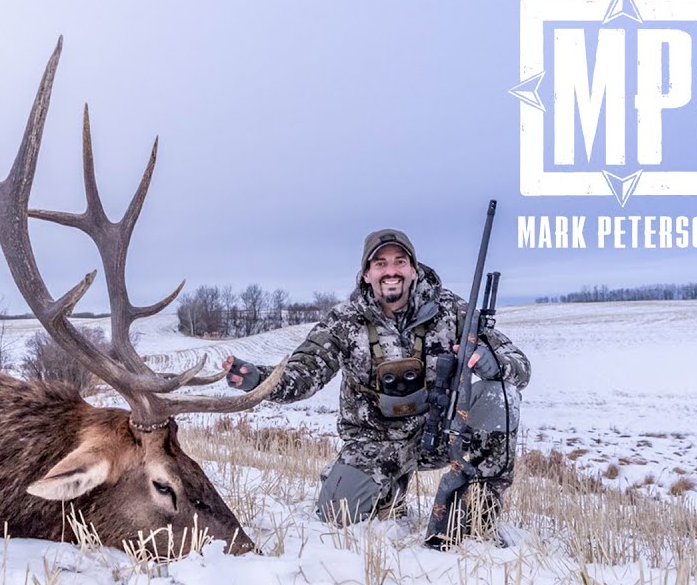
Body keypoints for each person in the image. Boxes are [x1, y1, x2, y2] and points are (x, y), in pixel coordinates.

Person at [223, 229, 530, 542]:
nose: (391, 271)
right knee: (335, 517)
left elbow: (520, 367)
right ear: (367, 273)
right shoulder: (343, 320)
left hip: (441, 434)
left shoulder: (452, 311)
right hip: (373, 442)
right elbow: (304, 374)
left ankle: (475, 513)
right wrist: (260, 380)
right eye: (380, 264)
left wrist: (495, 365)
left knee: (500, 395)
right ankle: (386, 494)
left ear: (414, 268)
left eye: (400, 261)